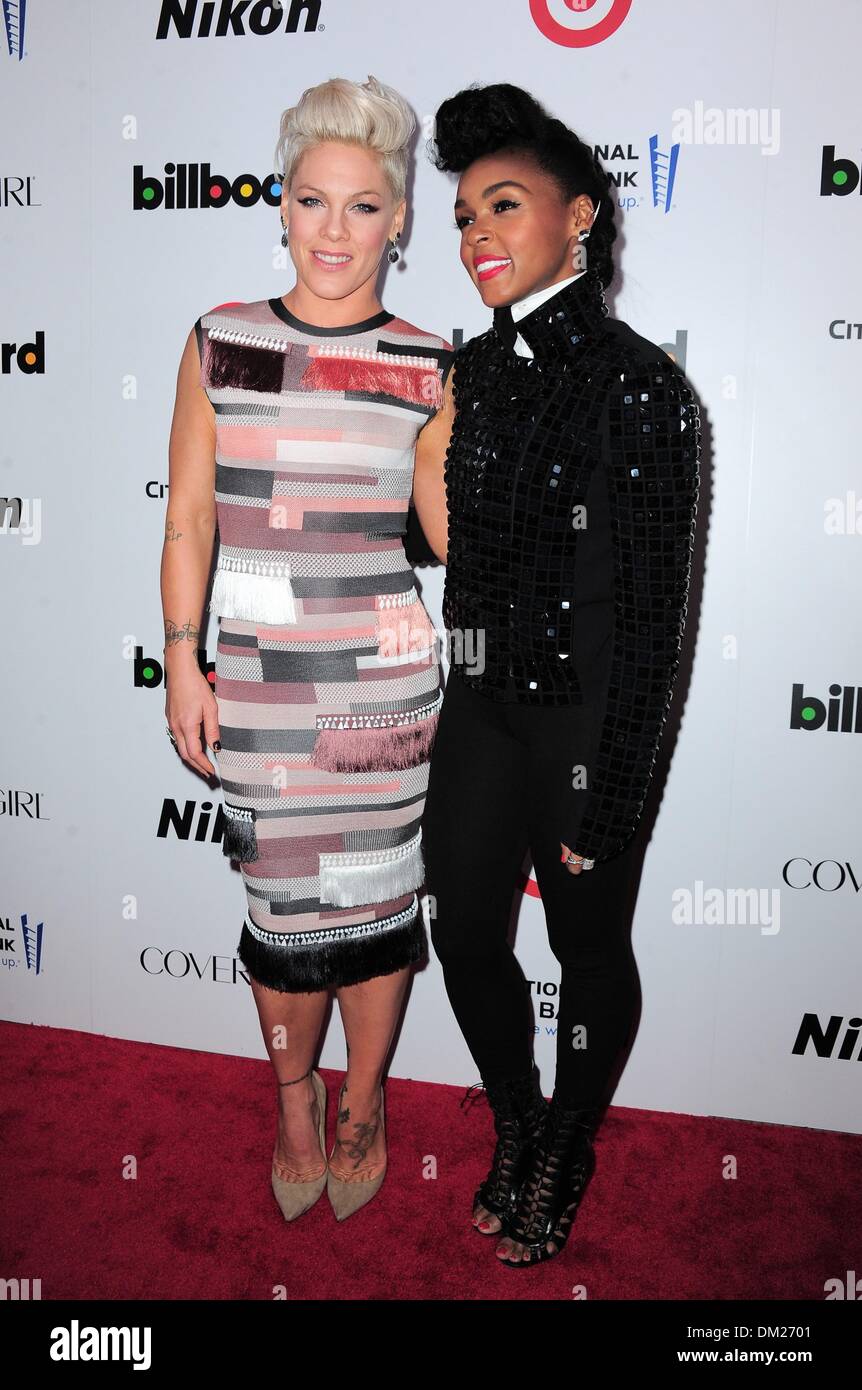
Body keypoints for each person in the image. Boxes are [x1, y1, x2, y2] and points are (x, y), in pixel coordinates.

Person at [413, 83, 701, 1266]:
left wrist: (618, 788)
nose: (476, 230)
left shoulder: (643, 388)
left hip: (589, 721)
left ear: (578, 215)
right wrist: (429, 436)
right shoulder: (471, 376)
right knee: (466, 931)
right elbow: (443, 560)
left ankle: (567, 1142)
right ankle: (519, 1120)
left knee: (588, 950)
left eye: (506, 202)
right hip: (479, 707)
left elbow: (654, 624)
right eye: (465, 212)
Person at [161, 75, 452, 1225]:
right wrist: (183, 660)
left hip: (384, 681)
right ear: (279, 207)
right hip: (263, 686)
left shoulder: (432, 364)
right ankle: (294, 1101)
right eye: (311, 199)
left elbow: (448, 536)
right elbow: (187, 517)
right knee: (283, 925)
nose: (335, 230)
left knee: (380, 907)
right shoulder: (220, 342)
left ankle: (363, 1103)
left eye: (364, 205)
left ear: (400, 221)